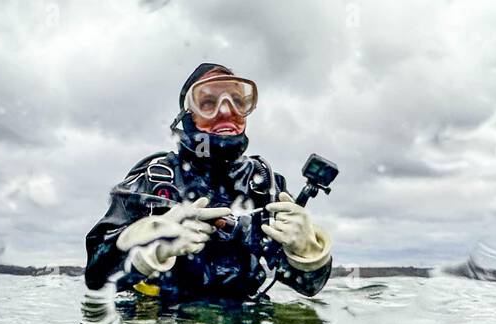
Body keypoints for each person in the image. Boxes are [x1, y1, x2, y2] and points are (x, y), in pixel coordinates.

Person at [84, 63, 333, 300]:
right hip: (161, 322)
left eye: (237, 101)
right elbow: (95, 277)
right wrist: (145, 245)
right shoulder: (155, 178)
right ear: (188, 118)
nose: (226, 110)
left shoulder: (265, 184)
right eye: (208, 103)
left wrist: (308, 252)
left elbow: (309, 287)